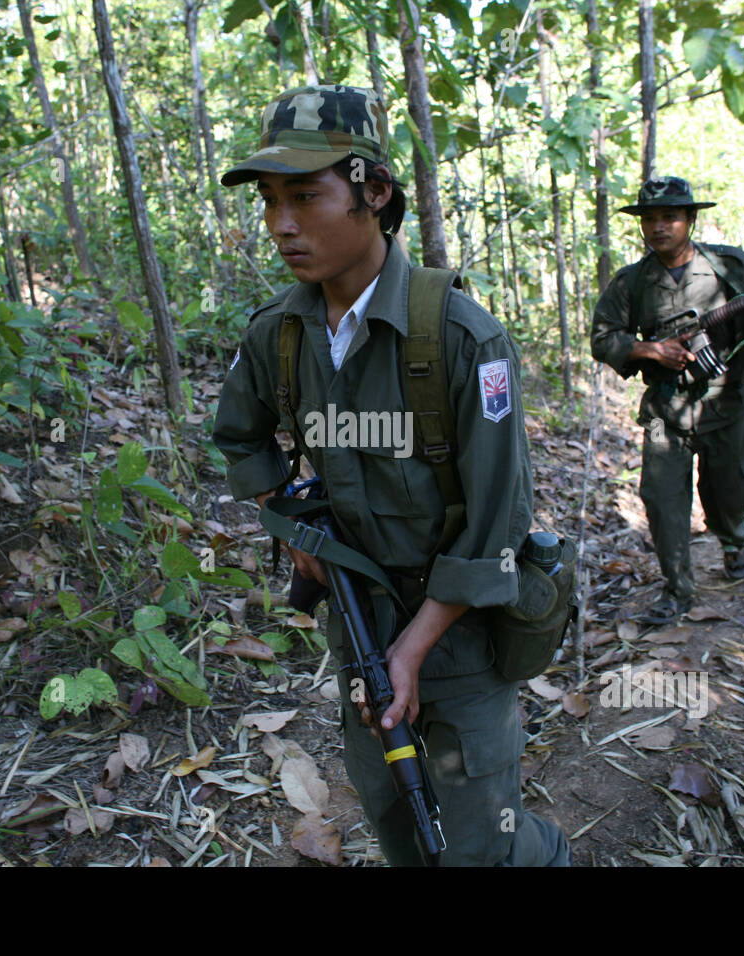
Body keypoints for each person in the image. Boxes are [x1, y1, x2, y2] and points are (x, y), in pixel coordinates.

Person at [212, 84, 570, 866]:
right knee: (397, 821)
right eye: (270, 201)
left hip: (464, 637)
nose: (281, 224)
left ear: (373, 192)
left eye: (306, 196)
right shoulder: (279, 334)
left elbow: (497, 523)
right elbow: (239, 436)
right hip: (357, 629)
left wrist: (414, 648)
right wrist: (290, 519)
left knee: (481, 841)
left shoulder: (462, 338)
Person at [590, 176, 744, 625]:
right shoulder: (632, 283)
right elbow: (603, 338)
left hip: (729, 405)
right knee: (661, 500)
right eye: (651, 219)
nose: (660, 227)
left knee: (730, 492)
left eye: (670, 217)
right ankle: (678, 587)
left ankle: (734, 540)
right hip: (665, 412)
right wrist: (650, 350)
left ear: (690, 220)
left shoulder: (730, 267)